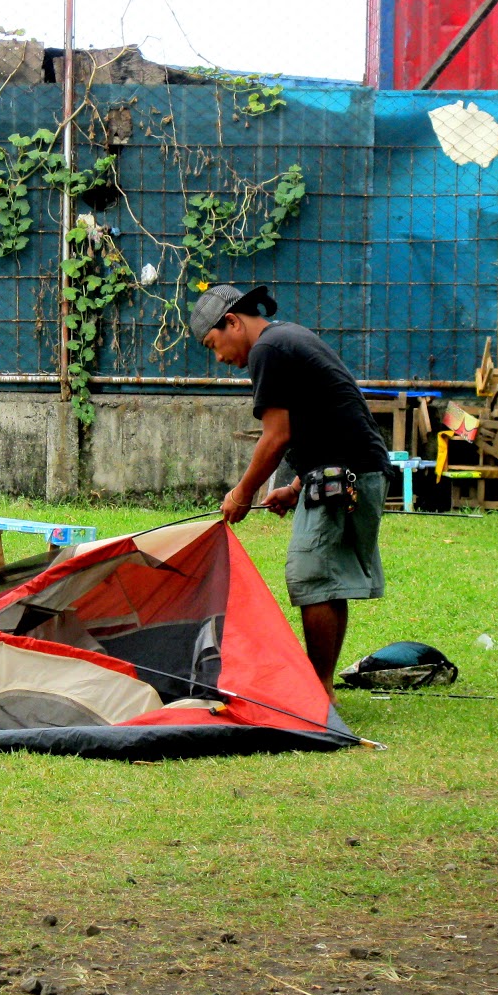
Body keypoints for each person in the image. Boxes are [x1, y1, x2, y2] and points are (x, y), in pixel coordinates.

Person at [190, 283, 391, 697]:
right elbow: (326, 418)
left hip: (345, 474)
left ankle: (318, 693)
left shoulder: (268, 350)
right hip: (351, 468)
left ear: (232, 322)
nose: (220, 358)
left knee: (311, 576)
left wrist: (242, 493)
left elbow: (276, 436)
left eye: (214, 345)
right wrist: (296, 486)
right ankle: (320, 687)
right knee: (325, 581)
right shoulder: (287, 338)